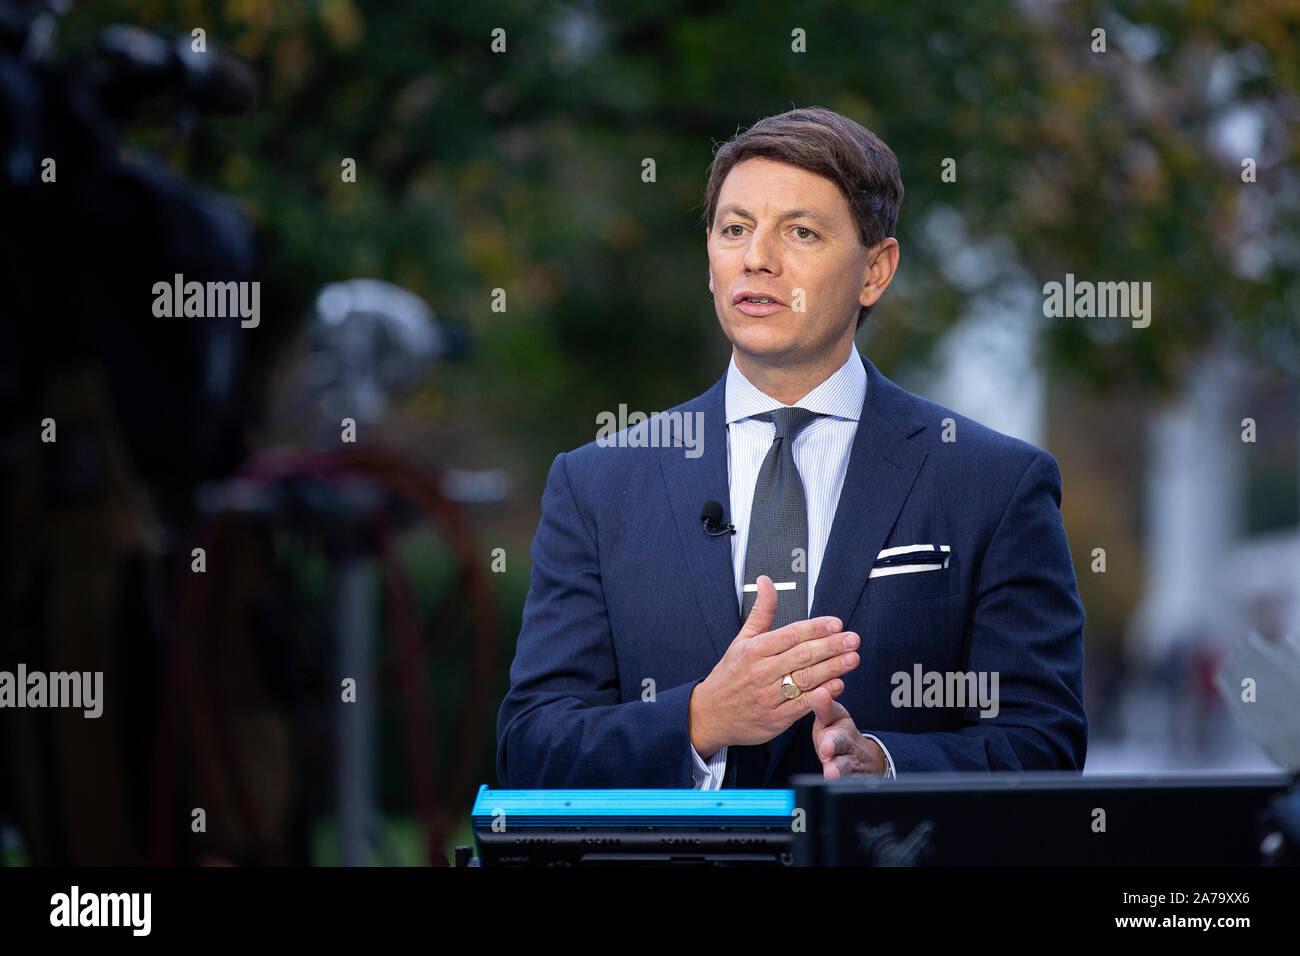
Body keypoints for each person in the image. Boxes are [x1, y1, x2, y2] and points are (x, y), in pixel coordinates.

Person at [496, 106, 1086, 789]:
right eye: (735, 229)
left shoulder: (995, 484)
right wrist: (698, 721)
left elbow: (1043, 743)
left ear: (876, 270)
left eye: (800, 232)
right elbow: (531, 746)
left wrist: (887, 768)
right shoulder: (596, 485)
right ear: (712, 264)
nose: (757, 258)